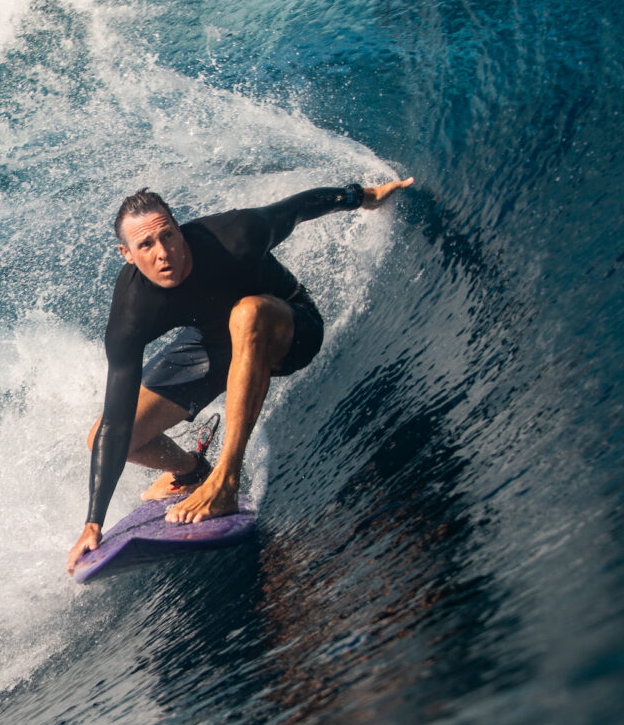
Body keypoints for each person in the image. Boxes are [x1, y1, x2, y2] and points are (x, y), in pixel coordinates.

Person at [66, 177, 414, 575]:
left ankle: (226, 482)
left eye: (169, 236)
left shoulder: (233, 237)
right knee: (106, 437)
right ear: (127, 254)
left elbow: (296, 208)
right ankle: (193, 471)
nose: (164, 253)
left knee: (245, 313)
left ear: (181, 231)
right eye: (146, 245)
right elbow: (117, 418)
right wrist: (93, 522)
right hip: (213, 343)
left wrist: (362, 196)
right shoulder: (131, 309)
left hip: (287, 326)